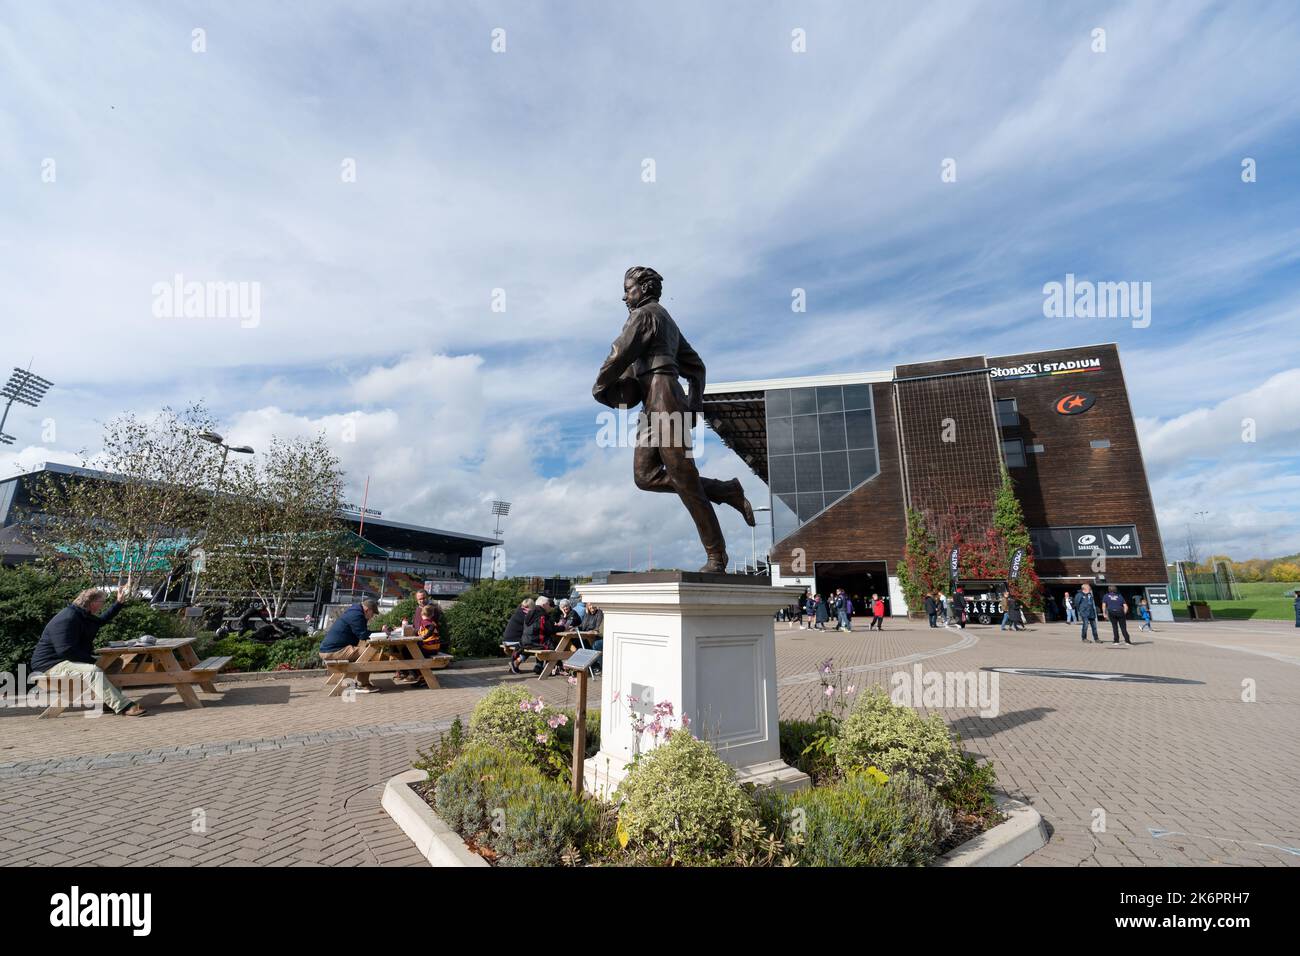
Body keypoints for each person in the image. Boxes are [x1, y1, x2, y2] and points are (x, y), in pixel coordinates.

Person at [592, 266, 755, 571]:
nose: (624, 296)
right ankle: (725, 490)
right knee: (645, 476)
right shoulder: (666, 320)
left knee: (683, 478)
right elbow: (697, 368)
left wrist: (600, 385)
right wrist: (693, 405)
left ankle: (716, 555)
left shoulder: (645, 315)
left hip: (664, 395)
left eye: (629, 289)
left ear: (645, 288)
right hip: (652, 400)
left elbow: (619, 353)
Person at [30, 585, 146, 717]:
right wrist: (92, 661)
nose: (102, 605)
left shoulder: (81, 615)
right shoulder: (67, 619)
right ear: (92, 603)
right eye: (102, 602)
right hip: (50, 665)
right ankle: (123, 706)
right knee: (93, 671)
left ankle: (108, 702)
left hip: (65, 660)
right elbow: (66, 651)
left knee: (115, 662)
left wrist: (118, 603)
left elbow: (101, 621)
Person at [320, 598, 386, 690]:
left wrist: (380, 632)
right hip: (333, 651)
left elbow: (362, 634)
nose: (372, 616)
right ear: (367, 610)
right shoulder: (357, 615)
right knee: (369, 653)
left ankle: (361, 683)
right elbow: (362, 635)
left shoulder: (355, 611)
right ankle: (363, 685)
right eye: (373, 613)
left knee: (365, 650)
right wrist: (382, 633)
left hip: (331, 649)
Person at [504, 597, 535, 674]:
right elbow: (531, 629)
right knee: (530, 648)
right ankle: (516, 663)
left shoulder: (518, 611)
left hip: (506, 639)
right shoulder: (526, 615)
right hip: (513, 640)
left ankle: (514, 665)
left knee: (527, 645)